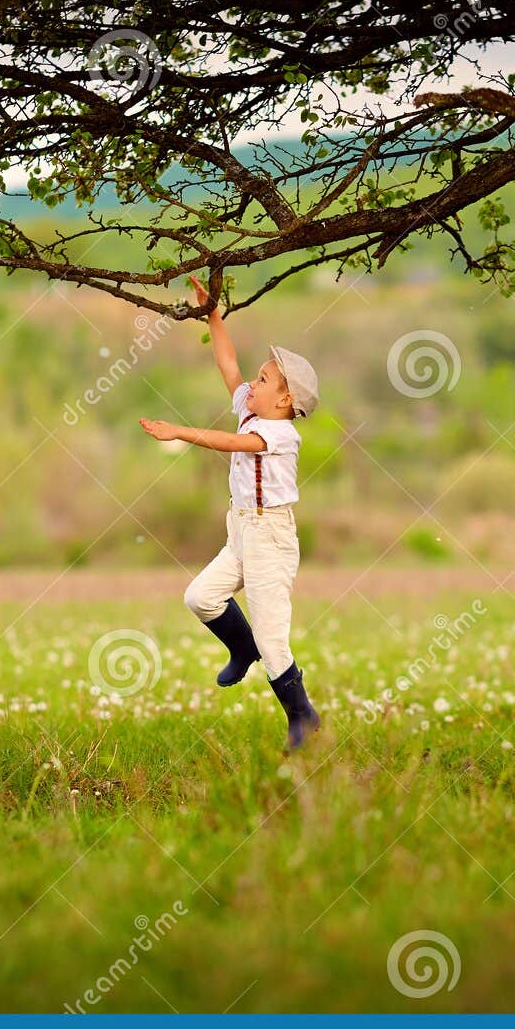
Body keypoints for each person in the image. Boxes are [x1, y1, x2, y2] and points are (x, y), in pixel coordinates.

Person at [138, 276, 322, 750]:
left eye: (263, 381)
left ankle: (301, 714)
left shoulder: (281, 435)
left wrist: (179, 431)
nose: (251, 385)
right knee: (200, 597)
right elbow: (227, 363)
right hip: (240, 528)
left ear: (284, 400)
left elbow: (234, 444)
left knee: (273, 636)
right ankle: (242, 648)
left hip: (271, 536)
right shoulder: (252, 410)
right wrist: (211, 313)